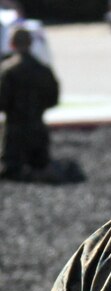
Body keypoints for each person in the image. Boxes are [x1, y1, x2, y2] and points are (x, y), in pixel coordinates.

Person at [0, 27, 58, 179]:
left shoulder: (8, 71)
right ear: (31, 43)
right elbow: (53, 99)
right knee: (40, 168)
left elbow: (2, 101)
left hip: (14, 132)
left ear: (12, 44)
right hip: (37, 129)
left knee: (12, 172)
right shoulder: (43, 70)